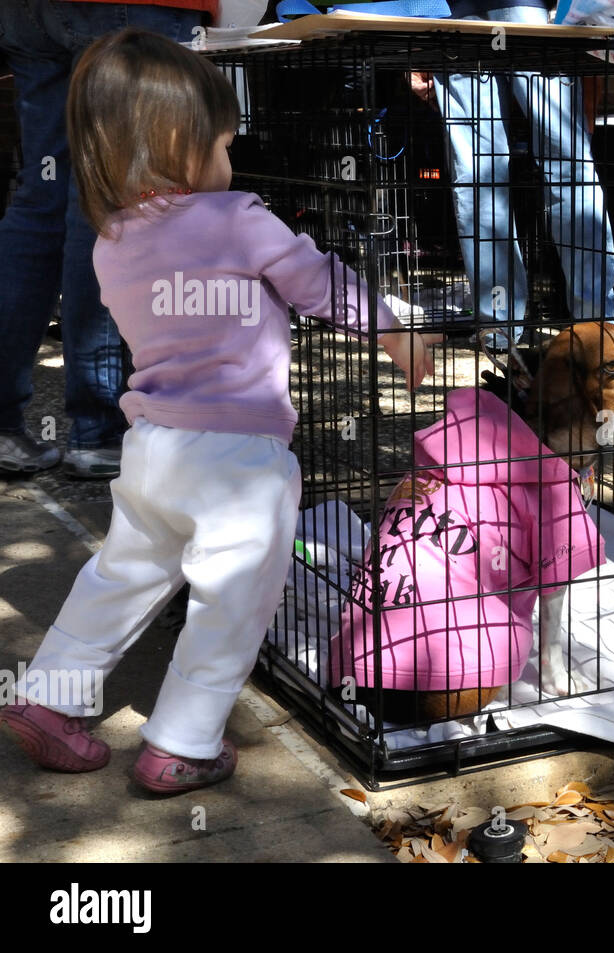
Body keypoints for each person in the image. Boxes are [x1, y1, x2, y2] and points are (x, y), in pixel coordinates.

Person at [0, 29, 432, 793]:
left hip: (155, 447)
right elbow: (318, 283)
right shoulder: (238, 218)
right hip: (240, 459)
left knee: (124, 573)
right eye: (225, 144)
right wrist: (395, 329)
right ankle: (183, 741)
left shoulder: (110, 241)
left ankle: (48, 693)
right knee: (234, 602)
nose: (232, 161)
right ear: (179, 142)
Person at [0, 1, 217, 480]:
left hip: (27, 14)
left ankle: (9, 426)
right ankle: (96, 434)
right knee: (103, 201)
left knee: (41, 199)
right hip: (133, 9)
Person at [409, 1, 614, 351]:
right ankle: (599, 325)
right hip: (517, 12)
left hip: (458, 14)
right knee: (566, 164)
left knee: (478, 172)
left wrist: (419, 29)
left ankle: (499, 324)